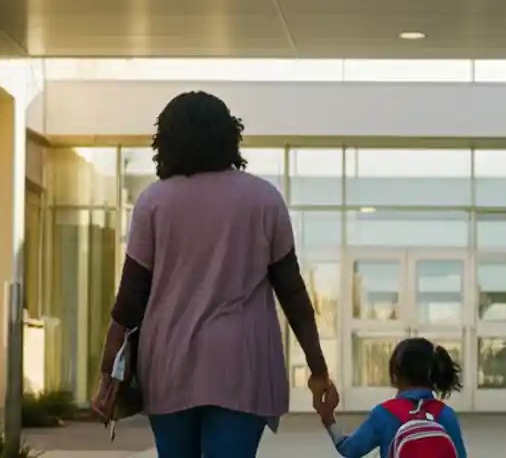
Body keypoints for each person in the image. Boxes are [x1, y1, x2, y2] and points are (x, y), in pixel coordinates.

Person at [91, 91, 338, 457]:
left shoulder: (154, 203)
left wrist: (107, 377)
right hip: (243, 364)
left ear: (166, 141)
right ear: (230, 136)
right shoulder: (264, 200)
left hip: (169, 365)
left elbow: (128, 304)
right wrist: (318, 371)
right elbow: (293, 295)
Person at [318, 338, 467, 458]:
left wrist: (329, 418)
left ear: (395, 373)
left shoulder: (384, 414)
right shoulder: (446, 414)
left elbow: (350, 450)